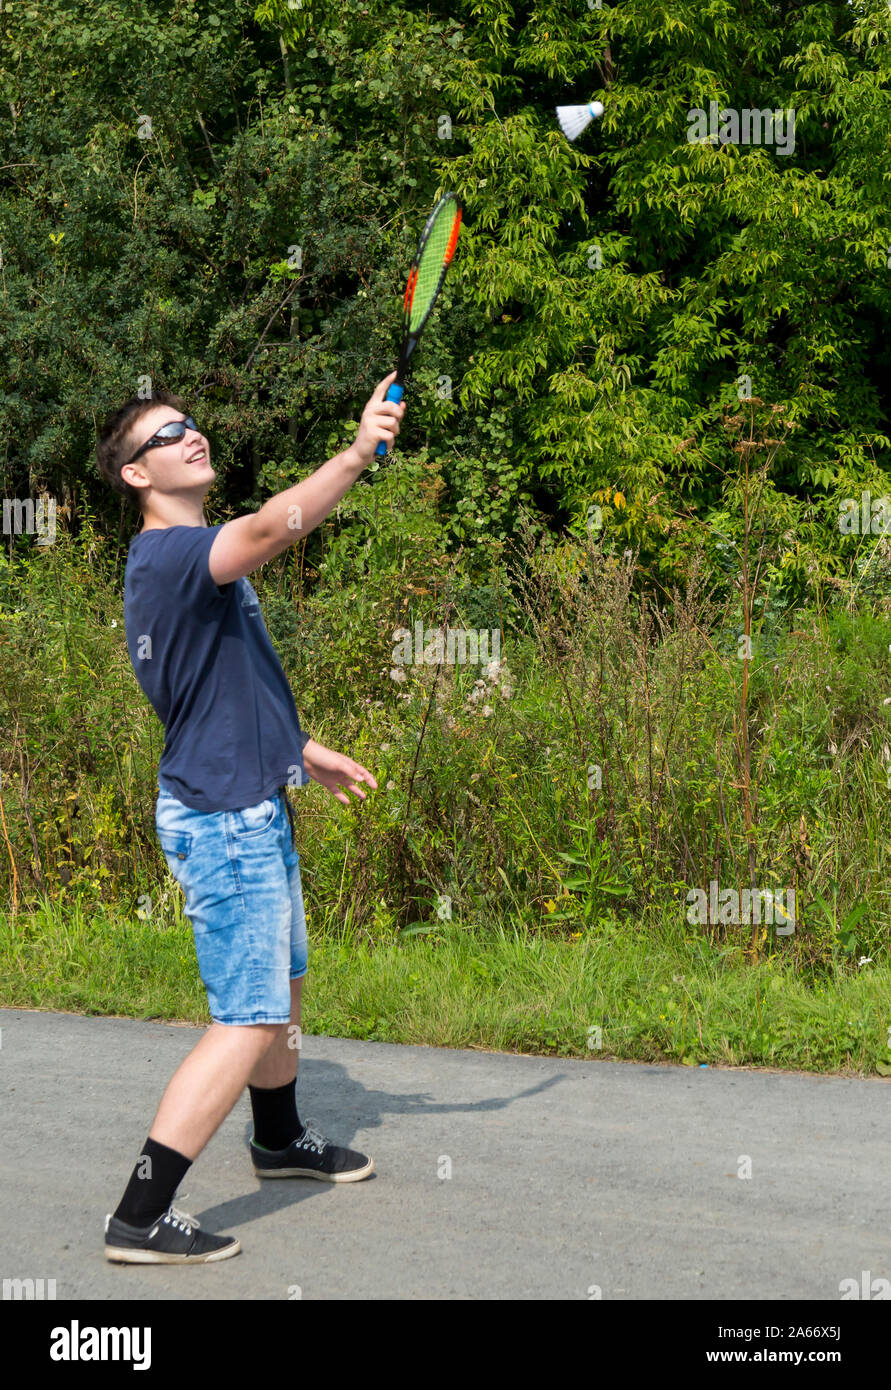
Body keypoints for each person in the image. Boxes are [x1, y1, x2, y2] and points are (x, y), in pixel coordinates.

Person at [94, 371, 405, 1264]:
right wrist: (355, 454)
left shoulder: (191, 569)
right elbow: (275, 526)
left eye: (190, 425)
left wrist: (298, 750)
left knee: (285, 989)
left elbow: (203, 690)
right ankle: (140, 1216)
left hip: (251, 800)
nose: (189, 437)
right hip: (223, 821)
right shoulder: (175, 557)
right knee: (248, 1015)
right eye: (164, 436)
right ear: (135, 477)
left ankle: (279, 1139)